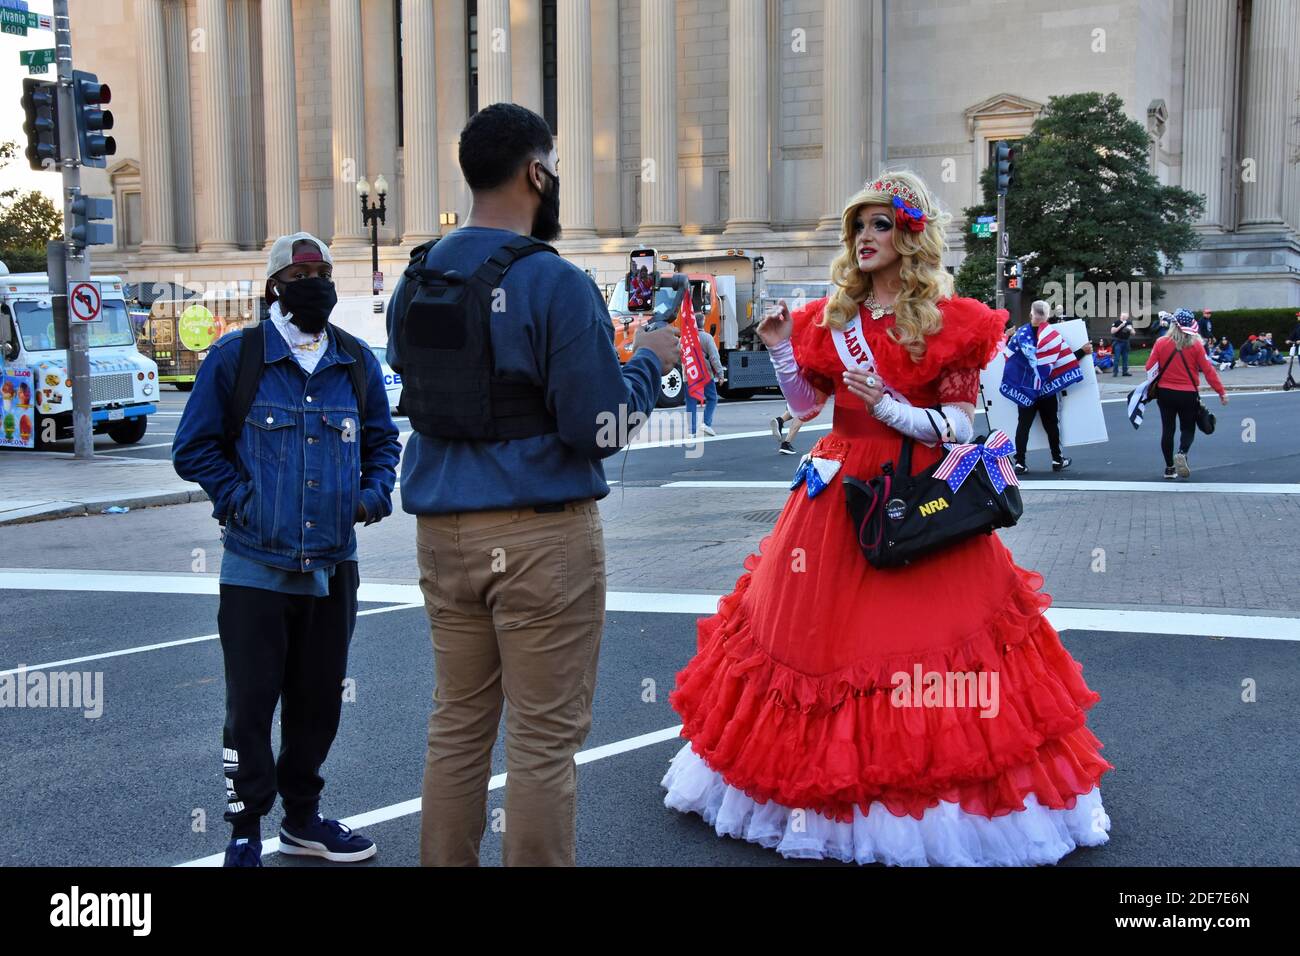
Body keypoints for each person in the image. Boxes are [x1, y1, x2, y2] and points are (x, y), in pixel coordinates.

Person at [662, 170, 1112, 866]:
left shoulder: (949, 320)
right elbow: (806, 408)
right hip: (835, 491)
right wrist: (782, 345)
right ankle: (818, 791)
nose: (864, 238)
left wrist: (893, 410)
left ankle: (923, 803)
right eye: (858, 227)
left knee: (927, 644)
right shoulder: (828, 318)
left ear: (909, 235)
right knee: (811, 643)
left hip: (916, 493)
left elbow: (963, 427)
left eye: (879, 225)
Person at [388, 103, 680, 867]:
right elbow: (599, 428)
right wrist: (650, 361)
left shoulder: (417, 276)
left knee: (457, 723)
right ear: (536, 172)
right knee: (544, 740)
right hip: (538, 536)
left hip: (442, 533)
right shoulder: (553, 282)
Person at [172, 232, 402, 867]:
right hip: (255, 565)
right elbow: (192, 448)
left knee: (318, 702)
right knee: (250, 704)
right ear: (275, 285)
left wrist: (370, 497)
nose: (315, 280)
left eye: (323, 270)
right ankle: (245, 829)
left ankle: (303, 819)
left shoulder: (353, 361)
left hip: (333, 565)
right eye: (301, 271)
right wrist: (239, 500)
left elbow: (384, 445)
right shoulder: (238, 358)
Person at [1004, 299, 1093, 475]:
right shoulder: (1052, 336)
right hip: (1047, 390)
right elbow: (1064, 361)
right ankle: (1057, 459)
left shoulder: (1020, 335)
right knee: (1052, 425)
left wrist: (1007, 337)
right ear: (1047, 315)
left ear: (1031, 313)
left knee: (1023, 426)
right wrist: (1083, 350)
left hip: (1025, 390)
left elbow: (1008, 358)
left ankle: (1020, 463)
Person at [1146, 308, 1228, 479]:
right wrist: (1221, 392)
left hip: (1165, 392)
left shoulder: (1161, 342)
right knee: (1188, 427)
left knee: (1168, 429)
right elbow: (1208, 371)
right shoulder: (1196, 345)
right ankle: (1182, 453)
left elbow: (1149, 367)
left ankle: (1169, 468)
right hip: (1188, 394)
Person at [686, 318, 724, 436]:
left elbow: (680, 356)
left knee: (691, 401)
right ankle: (706, 424)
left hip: (689, 375)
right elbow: (714, 357)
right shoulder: (707, 338)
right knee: (712, 398)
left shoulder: (684, 338)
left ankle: (691, 432)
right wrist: (720, 373)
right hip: (705, 374)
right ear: (703, 323)